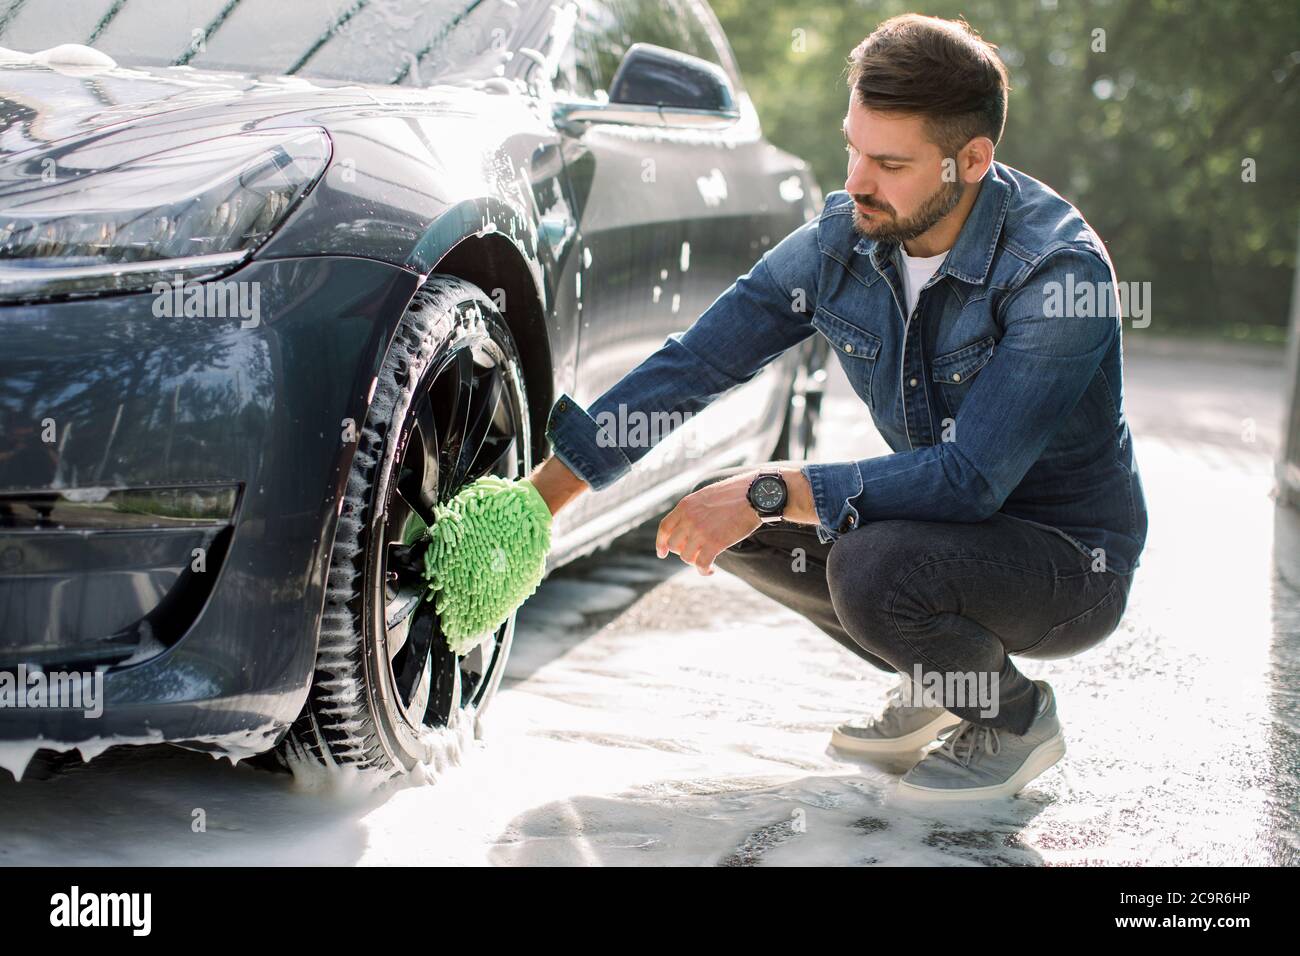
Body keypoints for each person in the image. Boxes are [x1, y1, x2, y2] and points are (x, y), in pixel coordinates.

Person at [528, 13, 1147, 801]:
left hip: (1065, 561)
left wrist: (774, 488)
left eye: (889, 162)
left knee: (867, 567)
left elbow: (968, 482)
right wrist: (541, 502)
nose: (856, 181)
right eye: (852, 147)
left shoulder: (1061, 277)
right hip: (950, 532)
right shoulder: (842, 239)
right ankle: (944, 675)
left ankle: (1012, 717)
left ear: (972, 160)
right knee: (734, 513)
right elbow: (697, 362)